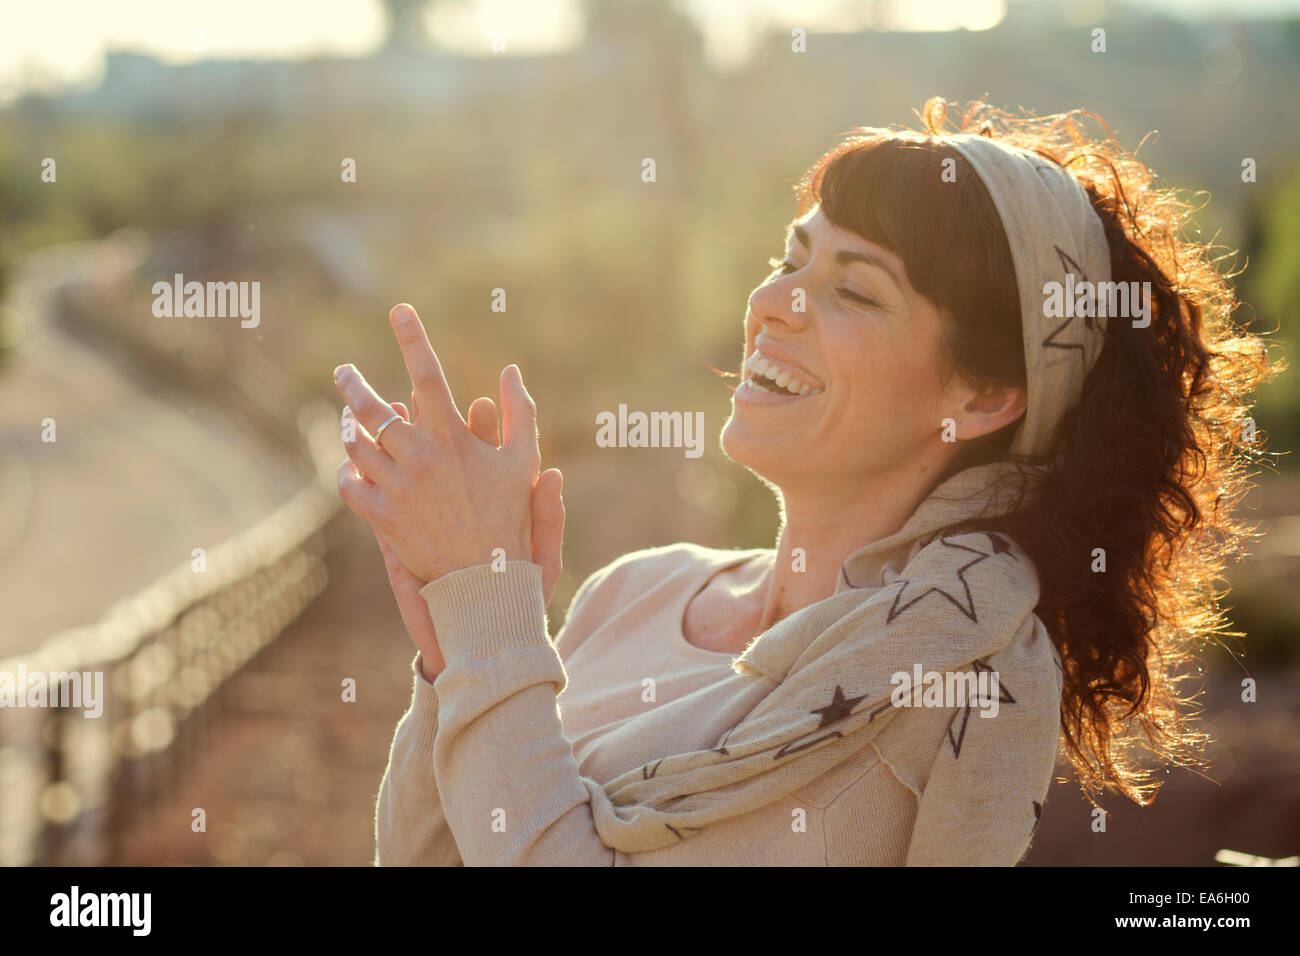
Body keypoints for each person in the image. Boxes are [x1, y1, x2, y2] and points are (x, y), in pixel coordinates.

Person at [335, 98, 1277, 865]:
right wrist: (458, 653)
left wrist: (492, 617)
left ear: (987, 393)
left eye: (853, 290)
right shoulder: (638, 587)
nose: (771, 306)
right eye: (791, 260)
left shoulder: (943, 677)